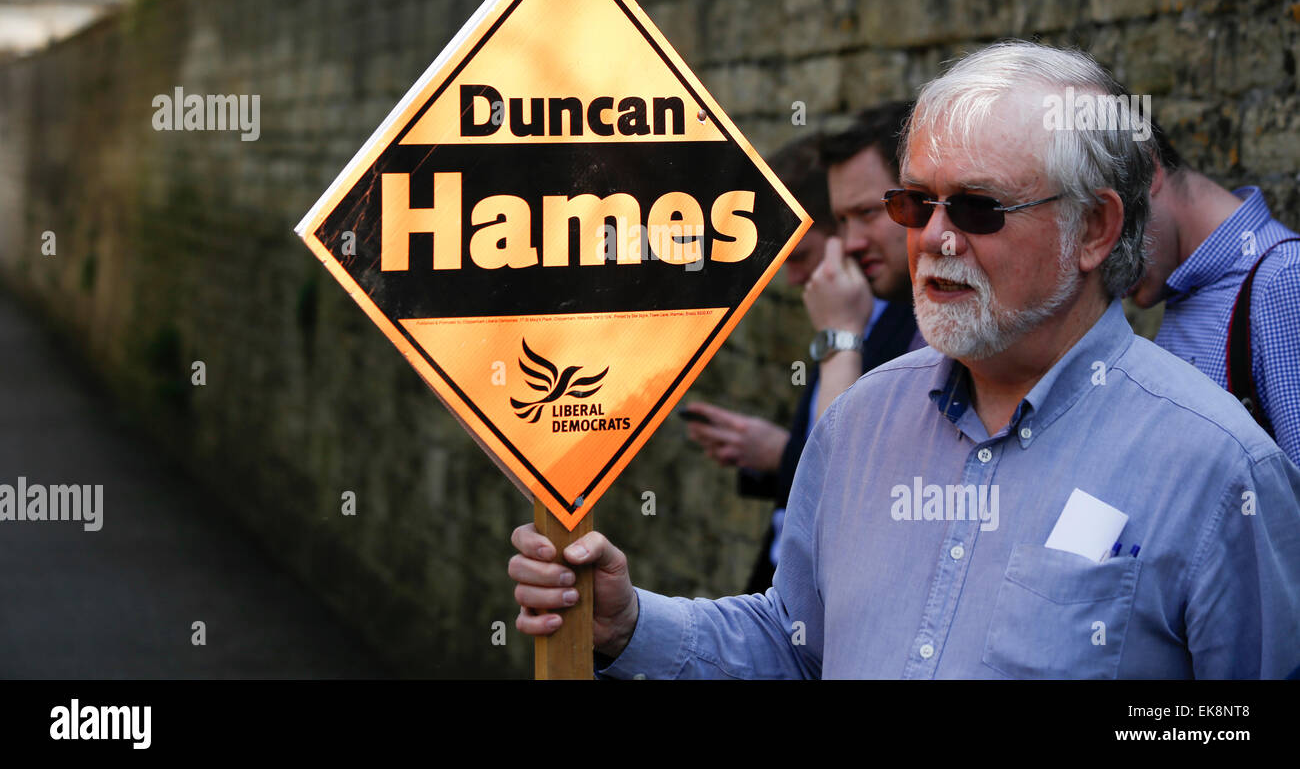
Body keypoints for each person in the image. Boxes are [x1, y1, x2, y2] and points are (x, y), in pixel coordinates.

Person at [507, 40, 1300, 678]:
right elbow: (795, 644)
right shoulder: (857, 420)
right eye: (915, 203)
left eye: (979, 208)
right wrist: (630, 623)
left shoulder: (1218, 467)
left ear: (1093, 230)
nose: (936, 238)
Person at [684, 107, 920, 592]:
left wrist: (780, 453)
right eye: (843, 219)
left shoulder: (916, 326)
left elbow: (842, 491)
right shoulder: (851, 311)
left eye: (867, 215)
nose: (854, 242)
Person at [1128, 128, 1300, 466]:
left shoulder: (1284, 280)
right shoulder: (1184, 284)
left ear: (1144, 172)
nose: (1102, 260)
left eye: (1104, 218)